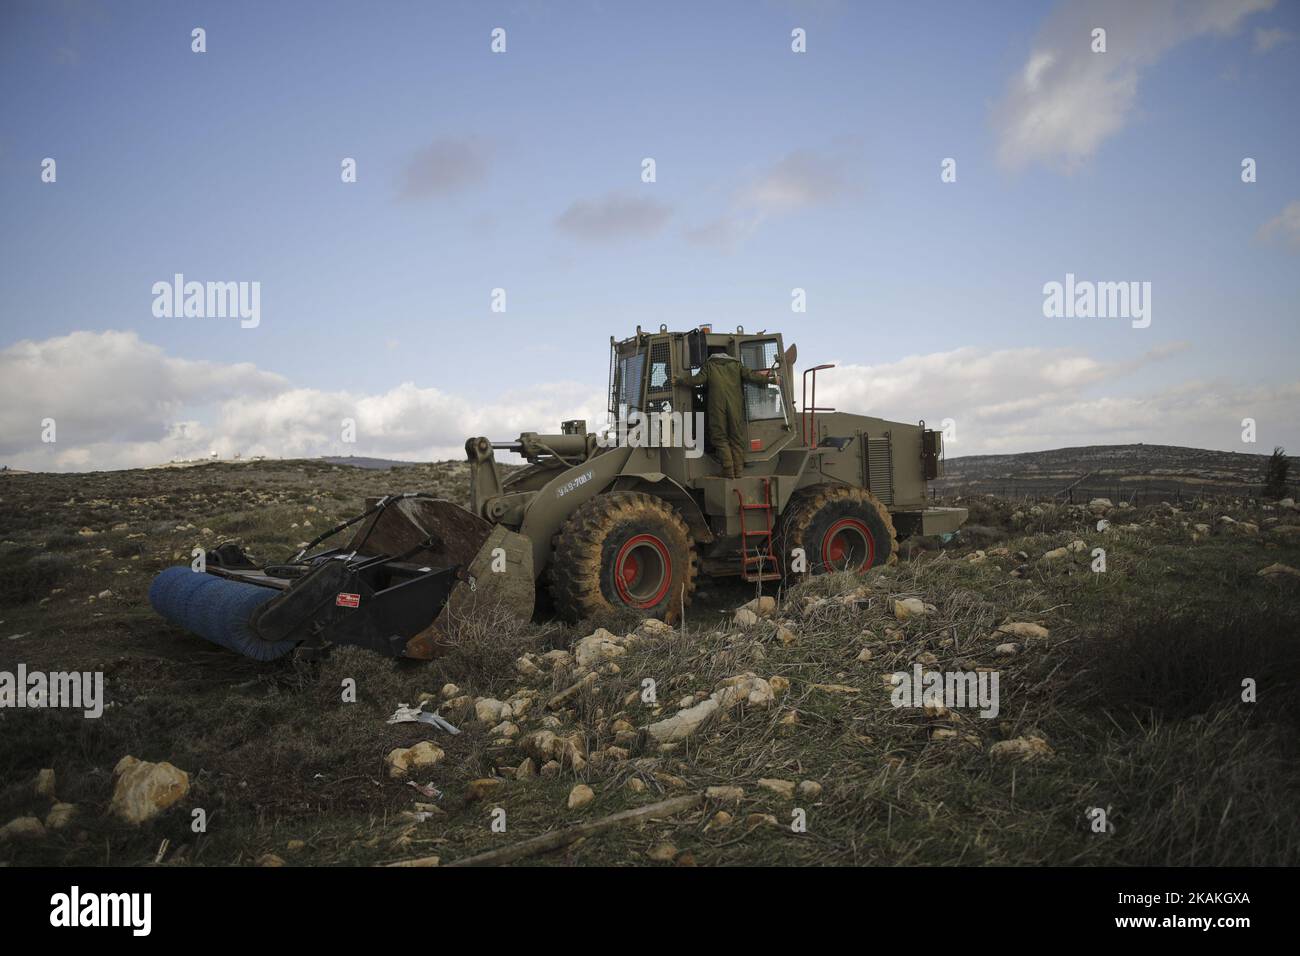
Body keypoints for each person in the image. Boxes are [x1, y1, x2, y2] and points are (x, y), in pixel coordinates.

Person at [676, 353, 773, 478]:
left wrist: (680, 381)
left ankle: (728, 470)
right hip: (736, 407)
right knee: (736, 438)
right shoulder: (737, 365)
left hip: (717, 407)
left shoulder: (709, 365)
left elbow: (698, 380)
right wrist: (771, 380)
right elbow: (752, 376)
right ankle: (738, 471)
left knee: (719, 437)